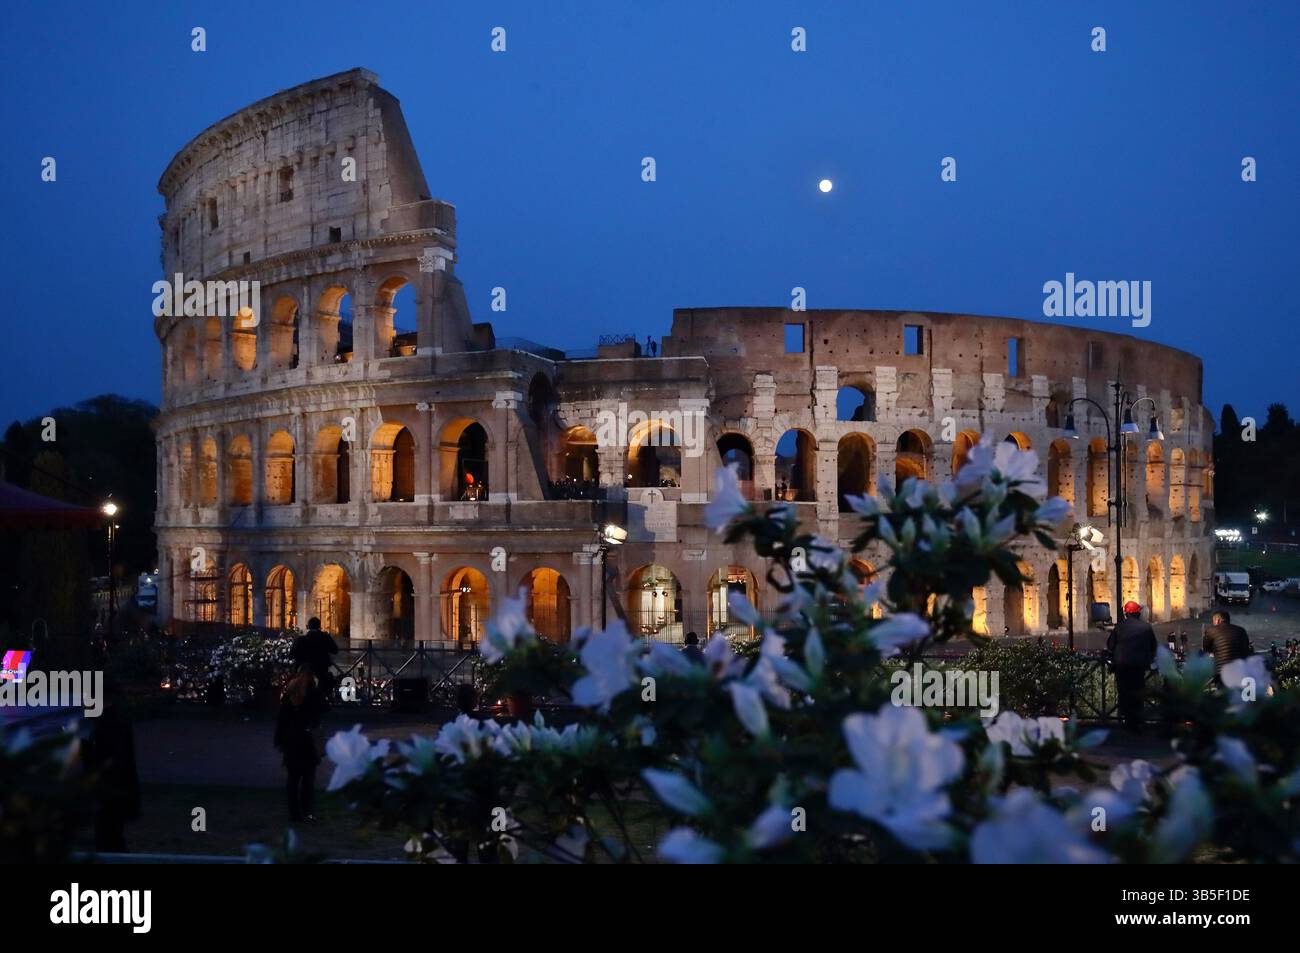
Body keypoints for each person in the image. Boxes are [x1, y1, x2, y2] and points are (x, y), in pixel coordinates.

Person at [82, 678, 140, 853]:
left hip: (109, 789)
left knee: (108, 836)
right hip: (115, 788)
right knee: (111, 836)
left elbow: (105, 756)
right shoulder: (115, 719)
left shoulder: (106, 723)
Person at [274, 666, 325, 822]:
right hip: (308, 741)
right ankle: (307, 810)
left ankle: (294, 813)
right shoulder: (314, 694)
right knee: (308, 779)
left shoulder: (290, 694)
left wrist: (279, 740)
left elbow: (282, 720)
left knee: (293, 779)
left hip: (292, 740)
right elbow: (322, 711)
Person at [1106, 601, 1157, 733]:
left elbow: (1110, 645)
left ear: (1126, 614)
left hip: (1122, 666)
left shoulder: (1120, 627)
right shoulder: (1146, 627)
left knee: (1124, 693)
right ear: (1138, 613)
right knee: (1138, 693)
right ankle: (1138, 722)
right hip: (1139, 666)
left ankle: (1127, 722)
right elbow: (1154, 646)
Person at [292, 616, 338, 700]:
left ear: (307, 626)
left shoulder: (301, 639)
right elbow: (335, 650)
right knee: (321, 691)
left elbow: (292, 654)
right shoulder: (325, 637)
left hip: (304, 671)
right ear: (319, 626)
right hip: (321, 670)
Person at [1202, 610, 1253, 681]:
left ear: (1218, 620)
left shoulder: (1211, 630)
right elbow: (1246, 648)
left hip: (1221, 672)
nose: (1213, 623)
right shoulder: (1241, 630)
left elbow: (1206, 649)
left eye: (1213, 621)